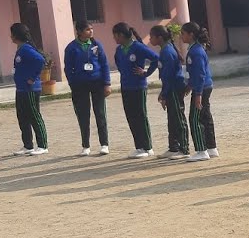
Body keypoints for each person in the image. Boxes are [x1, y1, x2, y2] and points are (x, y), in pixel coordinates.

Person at [63, 20, 112, 156]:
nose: (90, 32)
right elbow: (68, 68)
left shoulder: (96, 45)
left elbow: (104, 65)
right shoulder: (72, 48)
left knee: (100, 113)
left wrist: (107, 83)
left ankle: (104, 144)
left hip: (97, 83)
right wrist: (72, 83)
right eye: (87, 30)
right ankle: (86, 146)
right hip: (80, 85)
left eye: (91, 29)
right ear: (78, 31)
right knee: (83, 115)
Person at [113, 22, 159, 159]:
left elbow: (155, 59)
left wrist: (145, 73)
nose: (114, 39)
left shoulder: (138, 47)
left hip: (138, 87)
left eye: (115, 35)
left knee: (141, 115)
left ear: (121, 35)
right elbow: (119, 64)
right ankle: (139, 146)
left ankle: (148, 147)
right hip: (126, 87)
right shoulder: (119, 50)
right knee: (131, 116)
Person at [149, 24, 189, 160]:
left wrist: (165, 93)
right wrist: (163, 92)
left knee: (178, 118)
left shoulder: (168, 52)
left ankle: (184, 149)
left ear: (159, 38)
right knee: (172, 119)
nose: (150, 40)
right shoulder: (165, 50)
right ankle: (174, 147)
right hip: (169, 87)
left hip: (174, 88)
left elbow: (170, 76)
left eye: (152, 37)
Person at [180, 22, 217, 163]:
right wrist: (189, 86)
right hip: (203, 86)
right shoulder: (195, 49)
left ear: (191, 34)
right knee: (205, 117)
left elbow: (200, 74)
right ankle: (211, 147)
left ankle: (201, 151)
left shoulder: (195, 51)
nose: (181, 36)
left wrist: (198, 94)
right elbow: (194, 73)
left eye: (183, 33)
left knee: (194, 119)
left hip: (202, 87)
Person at [10, 23, 49, 156]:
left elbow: (40, 60)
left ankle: (43, 145)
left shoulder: (26, 48)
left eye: (12, 33)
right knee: (22, 117)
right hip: (20, 89)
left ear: (16, 35)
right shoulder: (20, 49)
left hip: (30, 89)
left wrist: (32, 77)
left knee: (34, 115)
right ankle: (28, 145)